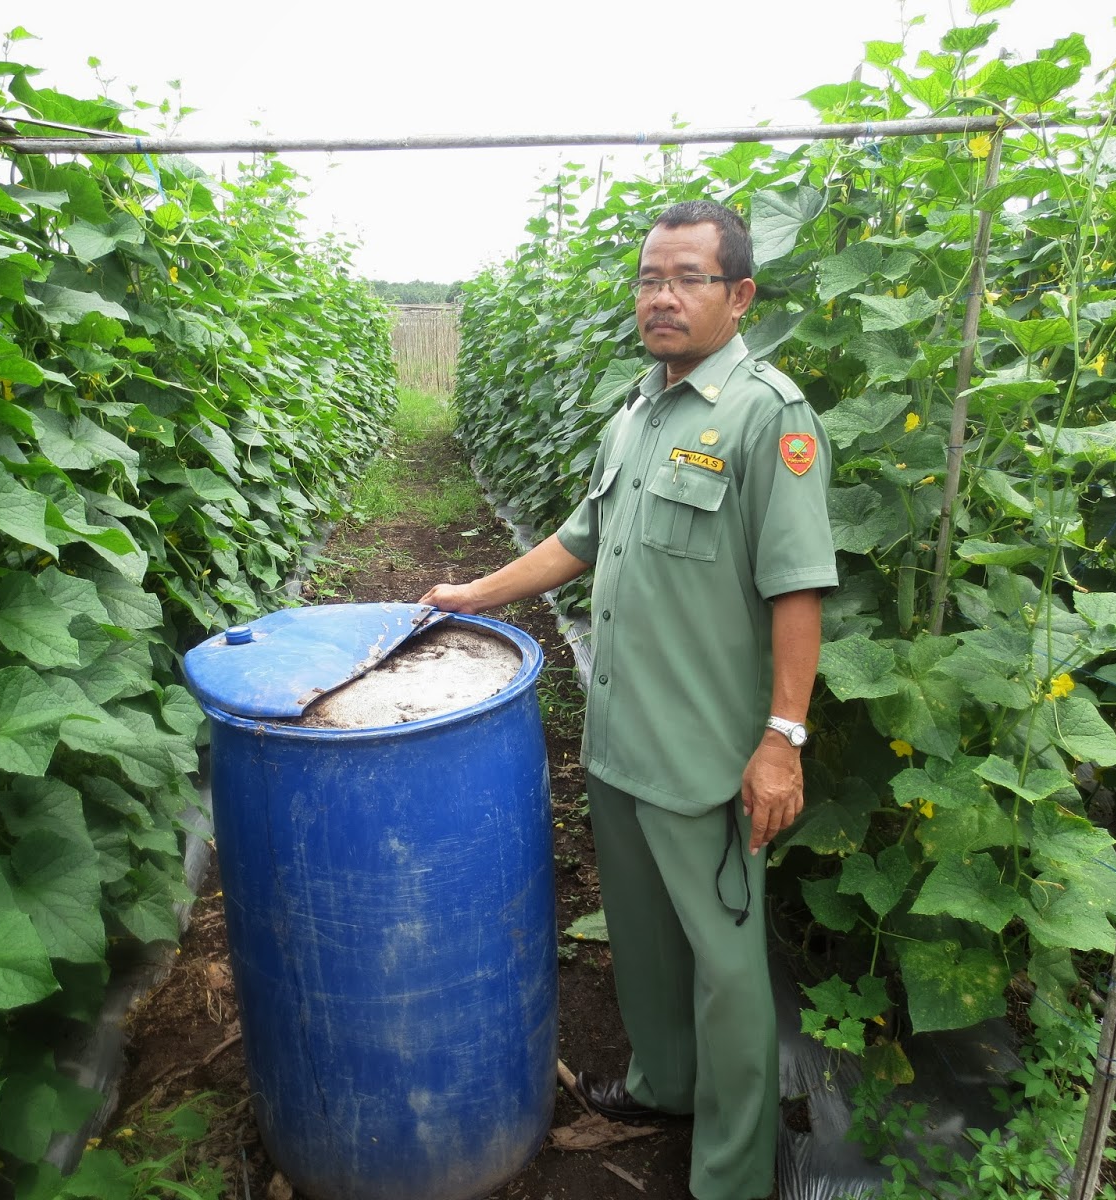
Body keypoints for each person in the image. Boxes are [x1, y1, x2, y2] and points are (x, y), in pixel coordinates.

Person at [420, 199, 836, 1200]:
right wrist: (470, 594)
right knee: (643, 944)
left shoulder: (766, 417)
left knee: (726, 969)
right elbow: (580, 540)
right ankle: (663, 1083)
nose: (661, 296)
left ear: (738, 295)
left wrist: (780, 740)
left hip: (706, 752)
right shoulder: (639, 414)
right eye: (650, 277)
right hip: (622, 738)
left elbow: (798, 589)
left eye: (687, 277)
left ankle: (730, 1172)